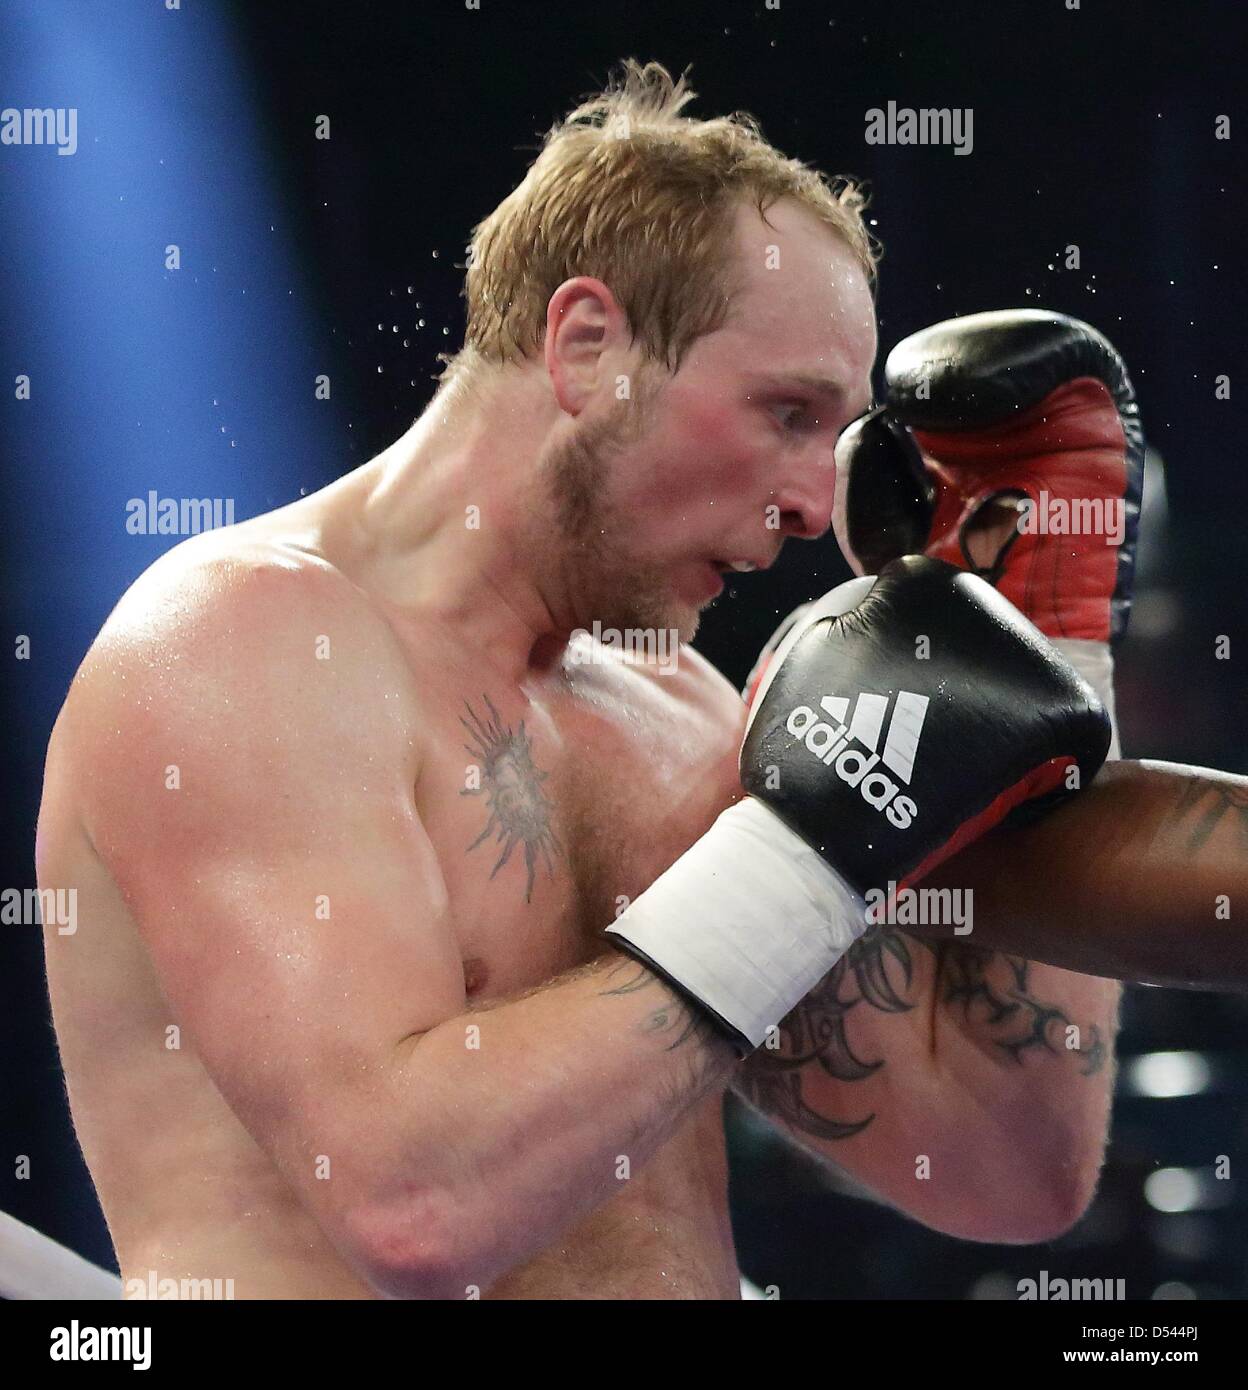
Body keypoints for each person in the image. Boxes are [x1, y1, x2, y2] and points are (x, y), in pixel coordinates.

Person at [31, 60, 1245, 1300]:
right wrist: (803, 862)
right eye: (784, 412)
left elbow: (1007, 1171)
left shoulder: (680, 715)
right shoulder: (243, 645)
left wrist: (1055, 647)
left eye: (835, 437)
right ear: (587, 344)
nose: (816, 502)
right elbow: (412, 1204)